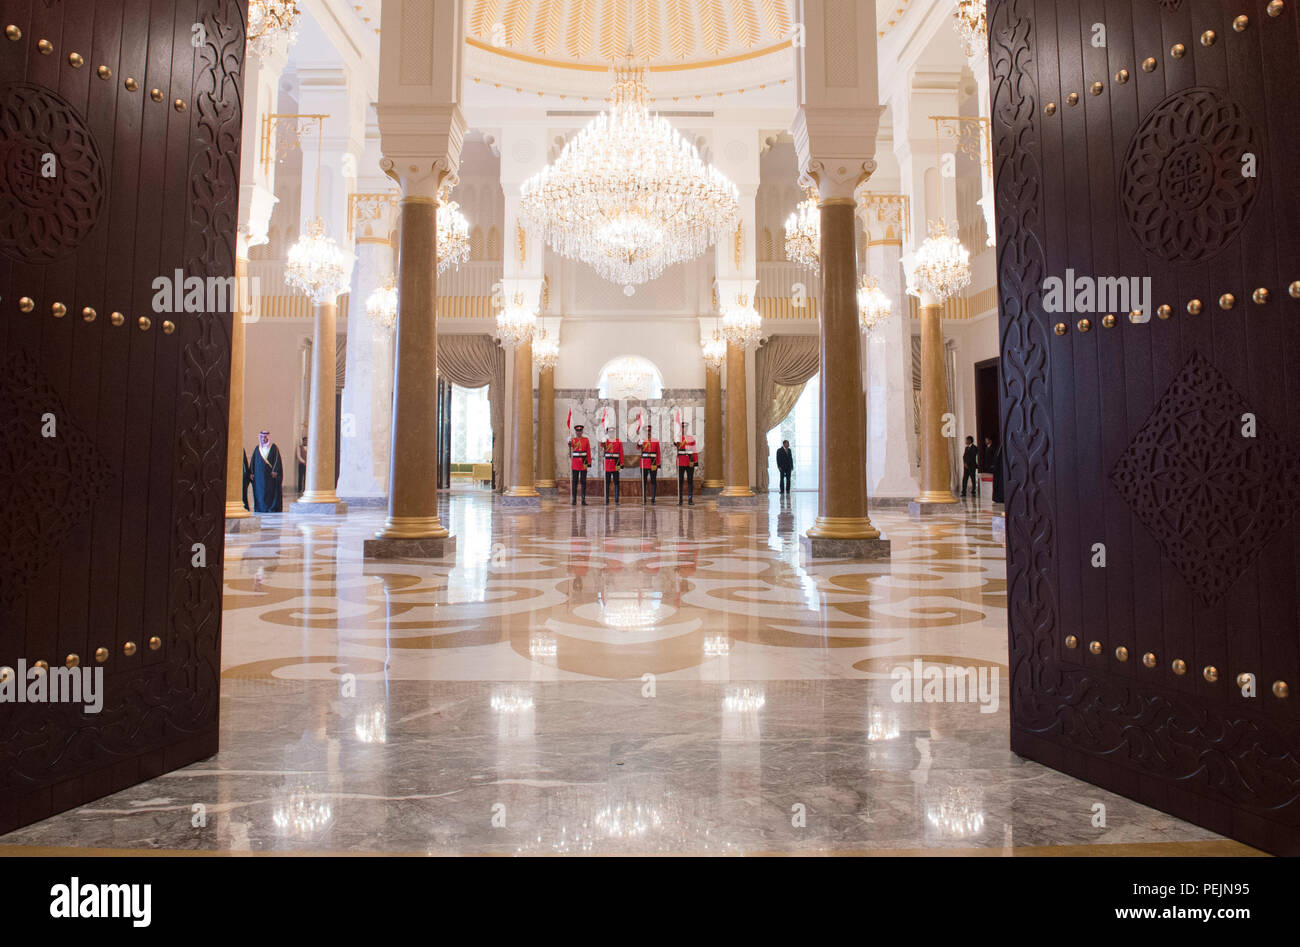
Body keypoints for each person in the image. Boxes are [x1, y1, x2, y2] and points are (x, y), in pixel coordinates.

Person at [250, 429, 284, 513]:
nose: (263, 439)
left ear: (268, 437)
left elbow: (277, 460)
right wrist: (251, 472)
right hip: (259, 477)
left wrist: (275, 470)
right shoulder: (257, 449)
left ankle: (270, 507)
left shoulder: (273, 448)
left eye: (265, 437)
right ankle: (261, 507)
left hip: (270, 476)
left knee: (270, 492)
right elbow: (252, 462)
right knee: (260, 492)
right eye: (262, 437)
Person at [676, 422, 698, 506]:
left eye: (685, 428)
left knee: (690, 481)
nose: (684, 429)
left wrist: (696, 463)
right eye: (683, 428)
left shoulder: (691, 438)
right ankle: (680, 499)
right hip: (681, 461)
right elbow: (676, 445)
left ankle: (690, 499)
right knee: (680, 481)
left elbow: (694, 450)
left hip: (690, 461)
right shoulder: (678, 438)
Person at [570, 424, 591, 506]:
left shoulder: (586, 440)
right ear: (575, 432)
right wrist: (568, 442)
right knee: (574, 482)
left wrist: (589, 462)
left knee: (583, 481)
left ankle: (583, 499)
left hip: (583, 462)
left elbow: (588, 451)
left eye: (580, 431)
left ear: (582, 431)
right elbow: (570, 447)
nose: (579, 432)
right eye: (577, 431)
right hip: (575, 462)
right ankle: (574, 499)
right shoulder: (573, 440)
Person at [639, 425, 660, 505]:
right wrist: (639, 443)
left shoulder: (655, 440)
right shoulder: (642, 440)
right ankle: (644, 499)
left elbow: (658, 452)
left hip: (653, 462)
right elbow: (637, 447)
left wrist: (658, 463)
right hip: (644, 463)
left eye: (649, 431)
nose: (648, 433)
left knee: (653, 481)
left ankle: (653, 499)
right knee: (643, 482)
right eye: (646, 431)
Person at [602, 431, 624, 505]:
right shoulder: (606, 440)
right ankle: (606, 499)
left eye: (612, 432)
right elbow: (602, 445)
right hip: (607, 464)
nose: (611, 434)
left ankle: (617, 499)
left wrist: (621, 464)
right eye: (610, 432)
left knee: (616, 482)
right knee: (607, 483)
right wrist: (603, 439)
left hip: (616, 464)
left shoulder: (618, 441)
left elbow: (621, 453)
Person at [984, 436, 1005, 504]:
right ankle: (997, 498)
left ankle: (1001, 497)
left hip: (1001, 469)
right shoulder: (999, 447)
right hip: (997, 469)